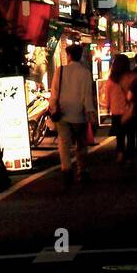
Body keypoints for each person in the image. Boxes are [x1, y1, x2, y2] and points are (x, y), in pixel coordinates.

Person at [49, 44, 97, 185]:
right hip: (79, 114)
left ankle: (66, 170)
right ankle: (82, 171)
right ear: (80, 55)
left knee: (63, 143)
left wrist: (53, 107)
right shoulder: (85, 72)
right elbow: (87, 95)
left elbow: (54, 92)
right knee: (81, 144)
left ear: (68, 56)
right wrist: (90, 112)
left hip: (63, 112)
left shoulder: (60, 70)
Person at [103, 54, 137, 164]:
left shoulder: (111, 80)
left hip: (116, 111)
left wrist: (108, 107)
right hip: (130, 110)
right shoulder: (133, 77)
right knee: (131, 134)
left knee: (120, 135)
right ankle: (131, 155)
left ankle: (120, 154)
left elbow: (107, 95)